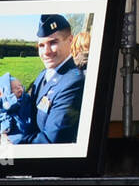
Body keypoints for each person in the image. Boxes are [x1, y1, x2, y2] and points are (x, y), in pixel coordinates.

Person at [9, 15, 86, 145]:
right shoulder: (43, 74)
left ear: (70, 40)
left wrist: (13, 141)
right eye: (41, 45)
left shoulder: (74, 82)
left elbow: (51, 141)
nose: (46, 52)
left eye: (53, 42)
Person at [0, 73, 35, 138]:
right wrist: (5, 126)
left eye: (20, 86)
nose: (19, 89)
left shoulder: (25, 98)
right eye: (15, 88)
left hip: (29, 129)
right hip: (14, 133)